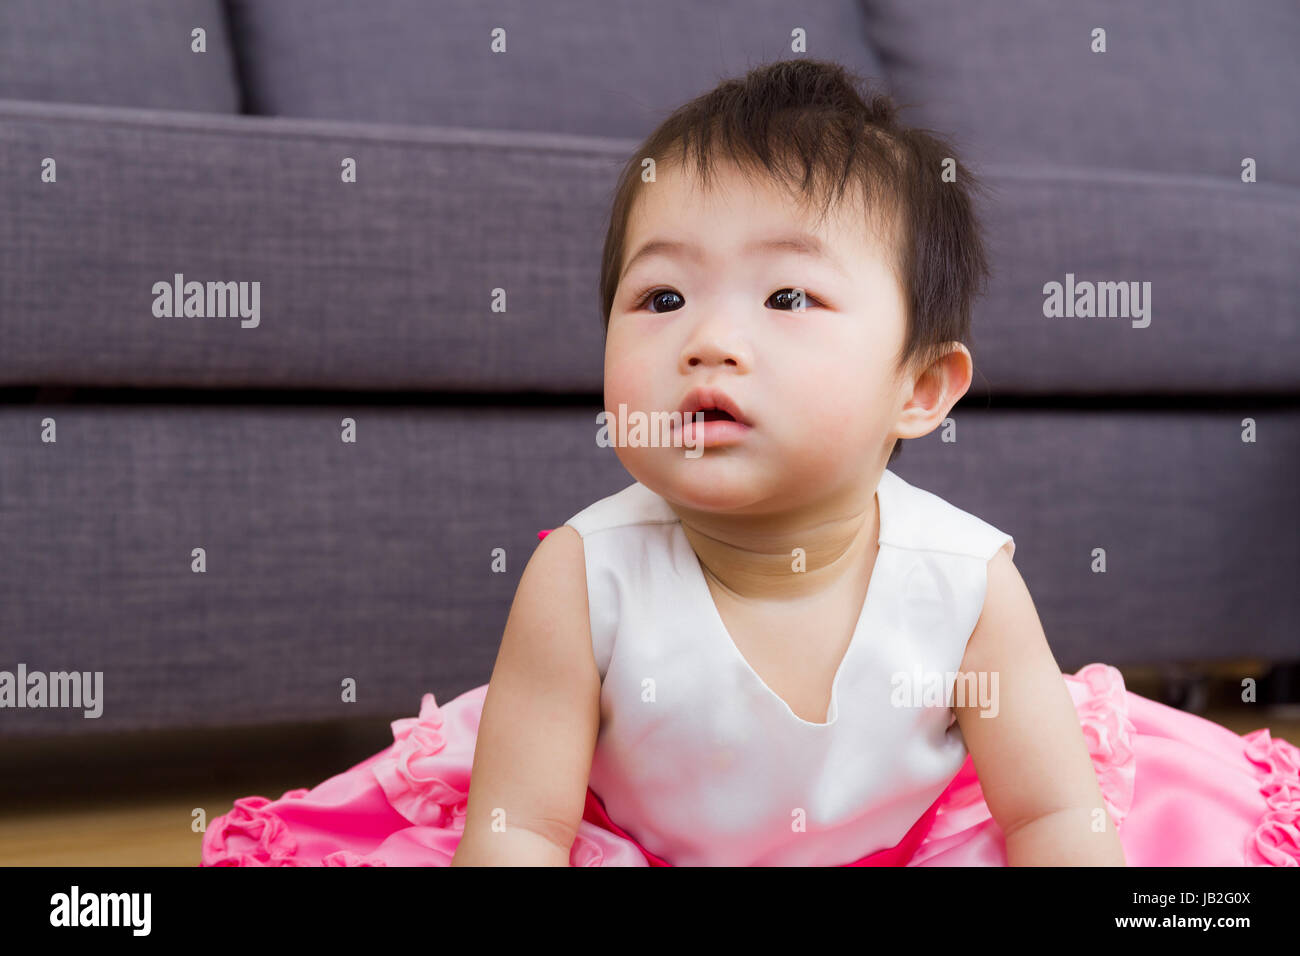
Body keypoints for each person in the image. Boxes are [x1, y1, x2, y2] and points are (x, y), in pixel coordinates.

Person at [200, 59, 1299, 867]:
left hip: (915, 840)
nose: (707, 340)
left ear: (918, 388)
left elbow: (1049, 814)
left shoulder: (963, 581)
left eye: (787, 298)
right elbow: (522, 823)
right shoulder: (583, 575)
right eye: (661, 296)